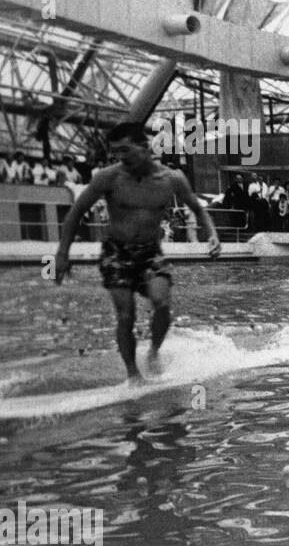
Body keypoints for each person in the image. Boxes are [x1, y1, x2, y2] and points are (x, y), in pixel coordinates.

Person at [53, 122, 220, 382]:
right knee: (125, 314)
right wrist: (62, 254)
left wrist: (212, 234)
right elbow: (75, 213)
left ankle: (153, 351)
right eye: (116, 152)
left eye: (125, 150)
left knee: (163, 304)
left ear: (144, 147)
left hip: (150, 251)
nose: (121, 157)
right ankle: (133, 374)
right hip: (116, 252)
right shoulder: (108, 177)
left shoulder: (172, 179)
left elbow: (198, 209)